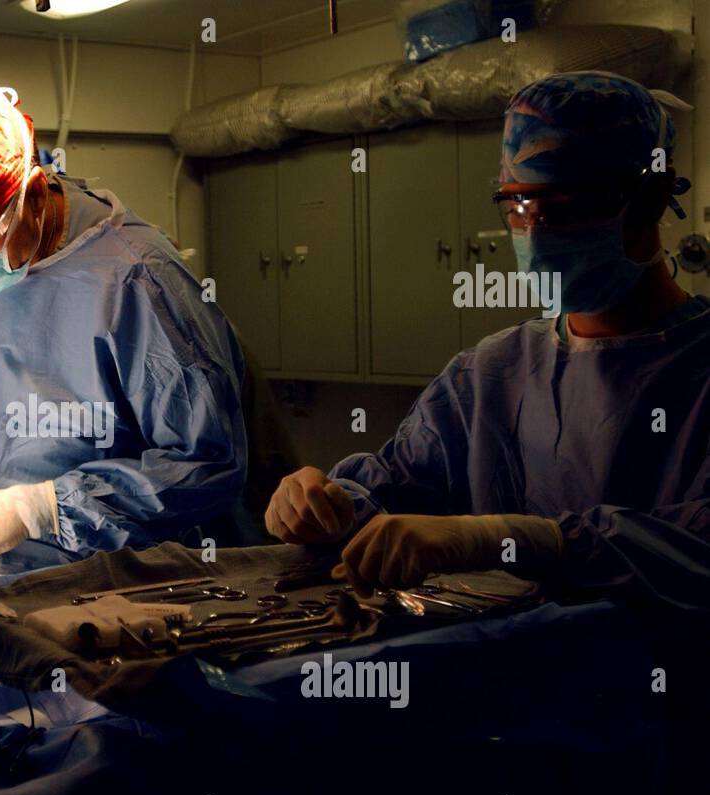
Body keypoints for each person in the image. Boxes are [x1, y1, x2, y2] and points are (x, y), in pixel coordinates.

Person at [264, 72, 710, 610]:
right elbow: (398, 486)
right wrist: (327, 506)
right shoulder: (489, 374)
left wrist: (521, 540)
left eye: (563, 207)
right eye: (517, 207)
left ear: (650, 199)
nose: (535, 232)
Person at [0, 75, 248, 573]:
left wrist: (40, 510)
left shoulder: (136, 278)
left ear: (35, 196)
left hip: (104, 587)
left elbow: (206, 464)